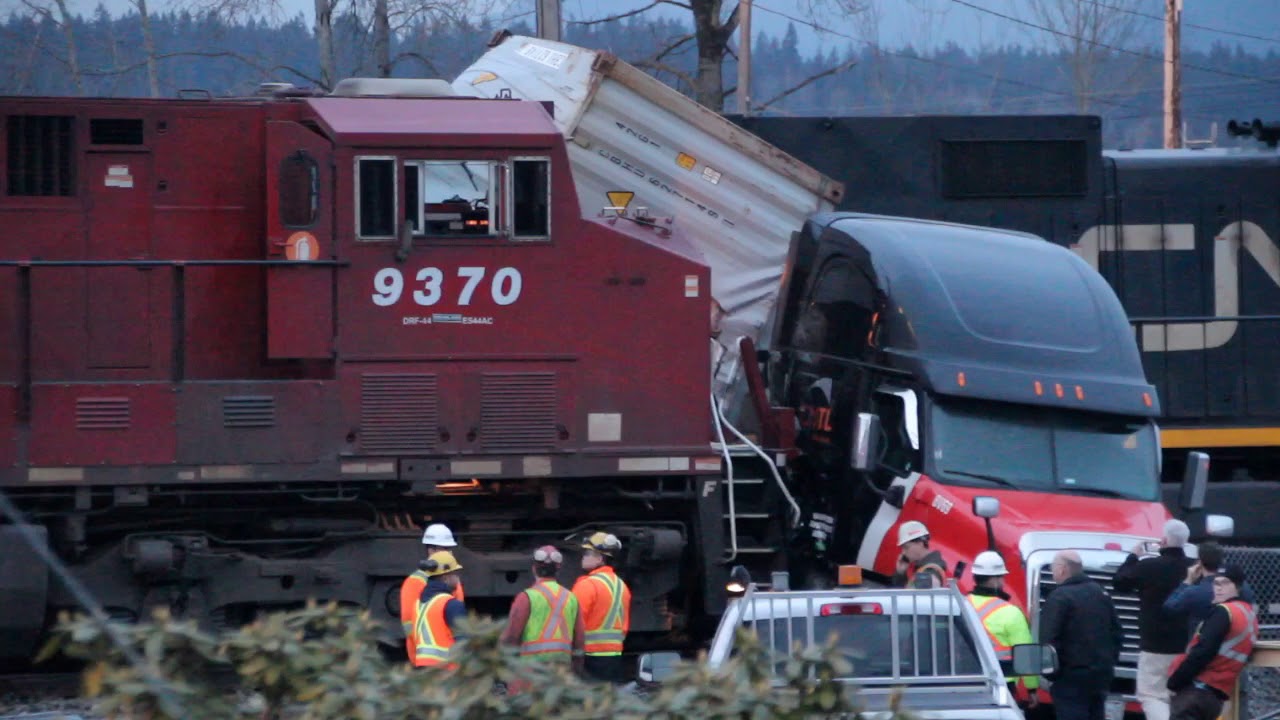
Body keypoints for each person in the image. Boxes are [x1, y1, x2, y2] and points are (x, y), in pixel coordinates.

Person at [1112, 519, 1195, 720]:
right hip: (1188, 644)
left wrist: (1133, 556)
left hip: (1155, 644)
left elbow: (1120, 582)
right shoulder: (1194, 568)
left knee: (1152, 694)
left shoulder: (1149, 566)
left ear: (1163, 540)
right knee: (1181, 695)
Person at [1040, 550, 1124, 720]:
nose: (1053, 572)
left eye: (1053, 568)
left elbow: (1048, 639)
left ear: (1063, 569)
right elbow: (1117, 633)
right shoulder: (1101, 593)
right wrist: (1108, 662)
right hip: (1101, 675)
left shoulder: (1059, 597)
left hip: (1070, 677)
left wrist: (1052, 674)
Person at [1166, 565, 1258, 720]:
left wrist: (1175, 681)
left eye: (1225, 583)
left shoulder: (1224, 612)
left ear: (1237, 586)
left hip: (1197, 690)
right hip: (1216, 694)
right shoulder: (1247, 613)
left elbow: (1203, 651)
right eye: (1216, 583)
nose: (1219, 588)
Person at [967, 551, 1040, 708]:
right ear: (995, 579)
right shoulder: (1011, 612)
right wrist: (1032, 689)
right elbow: (1025, 655)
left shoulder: (961, 605)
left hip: (965, 682)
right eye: (1002, 577)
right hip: (1002, 685)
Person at [501, 545, 586, 674]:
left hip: (532, 668)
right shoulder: (571, 598)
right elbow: (579, 639)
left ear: (534, 568)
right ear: (558, 569)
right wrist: (577, 668)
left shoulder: (526, 597)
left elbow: (512, 636)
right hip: (561, 667)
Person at [572, 532, 631, 684]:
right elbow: (623, 627)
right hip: (614, 657)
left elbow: (572, 624)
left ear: (600, 558)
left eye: (587, 553)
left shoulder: (587, 585)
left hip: (589, 659)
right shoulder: (621, 586)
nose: (583, 556)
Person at [1164, 542, 1256, 638]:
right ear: (1222, 561)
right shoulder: (1242, 587)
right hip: (1233, 643)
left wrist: (1187, 581)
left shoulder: (1194, 592)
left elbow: (1170, 607)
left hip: (1202, 646)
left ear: (1199, 563)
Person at [400, 523, 465, 657]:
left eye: (450, 549)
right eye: (445, 549)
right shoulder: (415, 582)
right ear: (431, 550)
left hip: (448, 659)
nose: (450, 553)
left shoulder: (452, 579)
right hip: (428, 658)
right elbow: (409, 625)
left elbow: (458, 621)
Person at [411, 550, 467, 668]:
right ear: (446, 577)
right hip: (447, 674)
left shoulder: (419, 604)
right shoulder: (451, 605)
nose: (458, 579)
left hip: (425, 672)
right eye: (456, 574)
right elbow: (464, 645)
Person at [892, 520, 947, 588]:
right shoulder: (920, 566)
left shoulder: (931, 570)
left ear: (920, 543)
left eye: (906, 547)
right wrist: (900, 573)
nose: (903, 552)